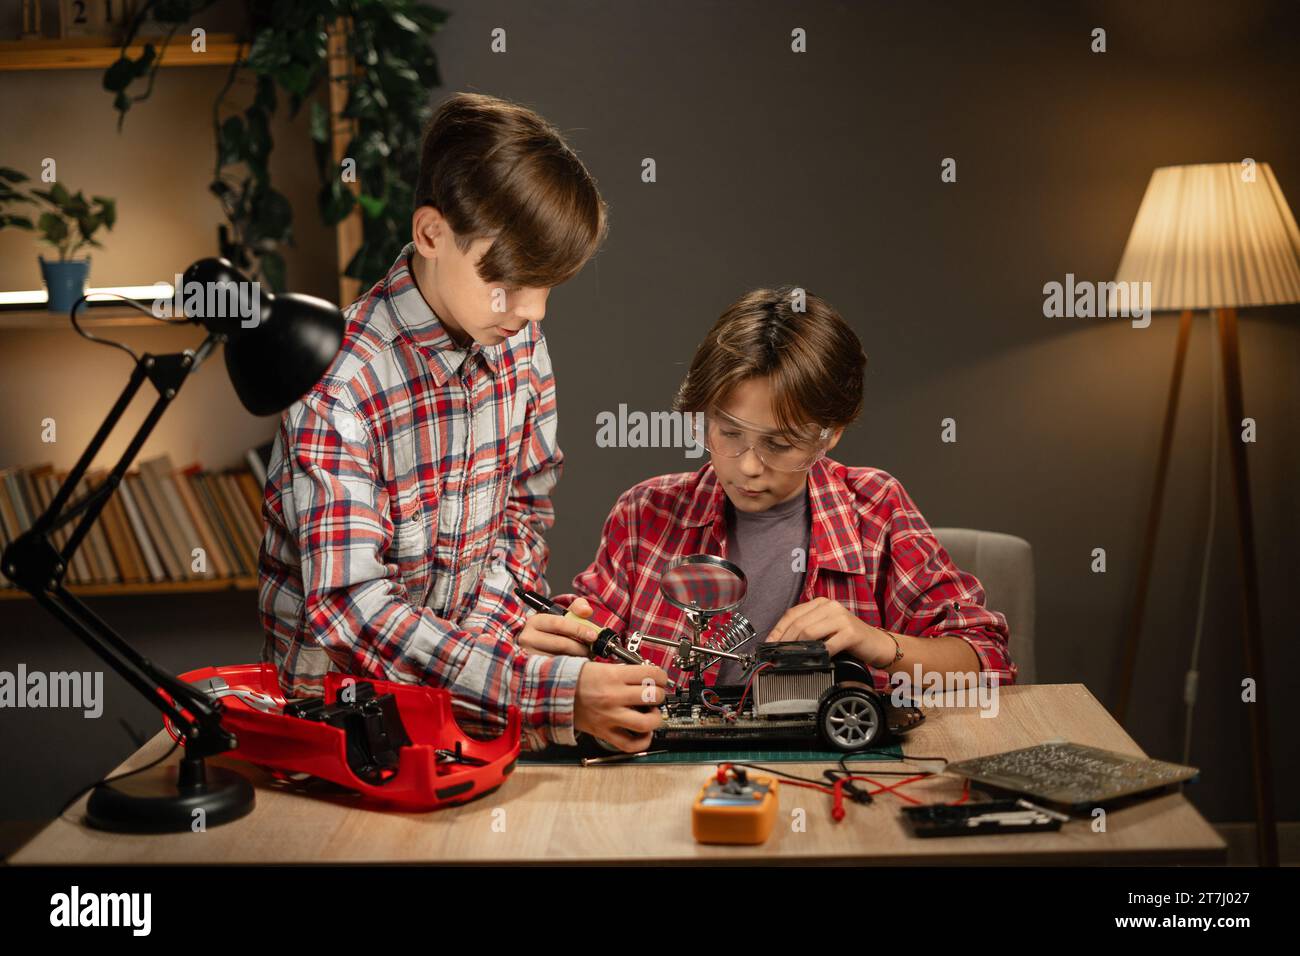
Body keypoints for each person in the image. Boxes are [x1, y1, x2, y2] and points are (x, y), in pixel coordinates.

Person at [258, 92, 667, 752]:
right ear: (431, 234)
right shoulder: (337, 386)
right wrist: (547, 691)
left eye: (548, 286)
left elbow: (523, 511)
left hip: (472, 724)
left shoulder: (518, 339)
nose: (536, 312)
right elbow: (350, 610)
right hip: (345, 741)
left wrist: (505, 621)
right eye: (510, 281)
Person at [537, 287, 1016, 696]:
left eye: (780, 443)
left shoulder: (877, 509)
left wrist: (874, 642)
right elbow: (583, 631)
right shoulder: (646, 513)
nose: (748, 466)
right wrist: (562, 641)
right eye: (728, 433)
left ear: (830, 434)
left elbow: (988, 663)